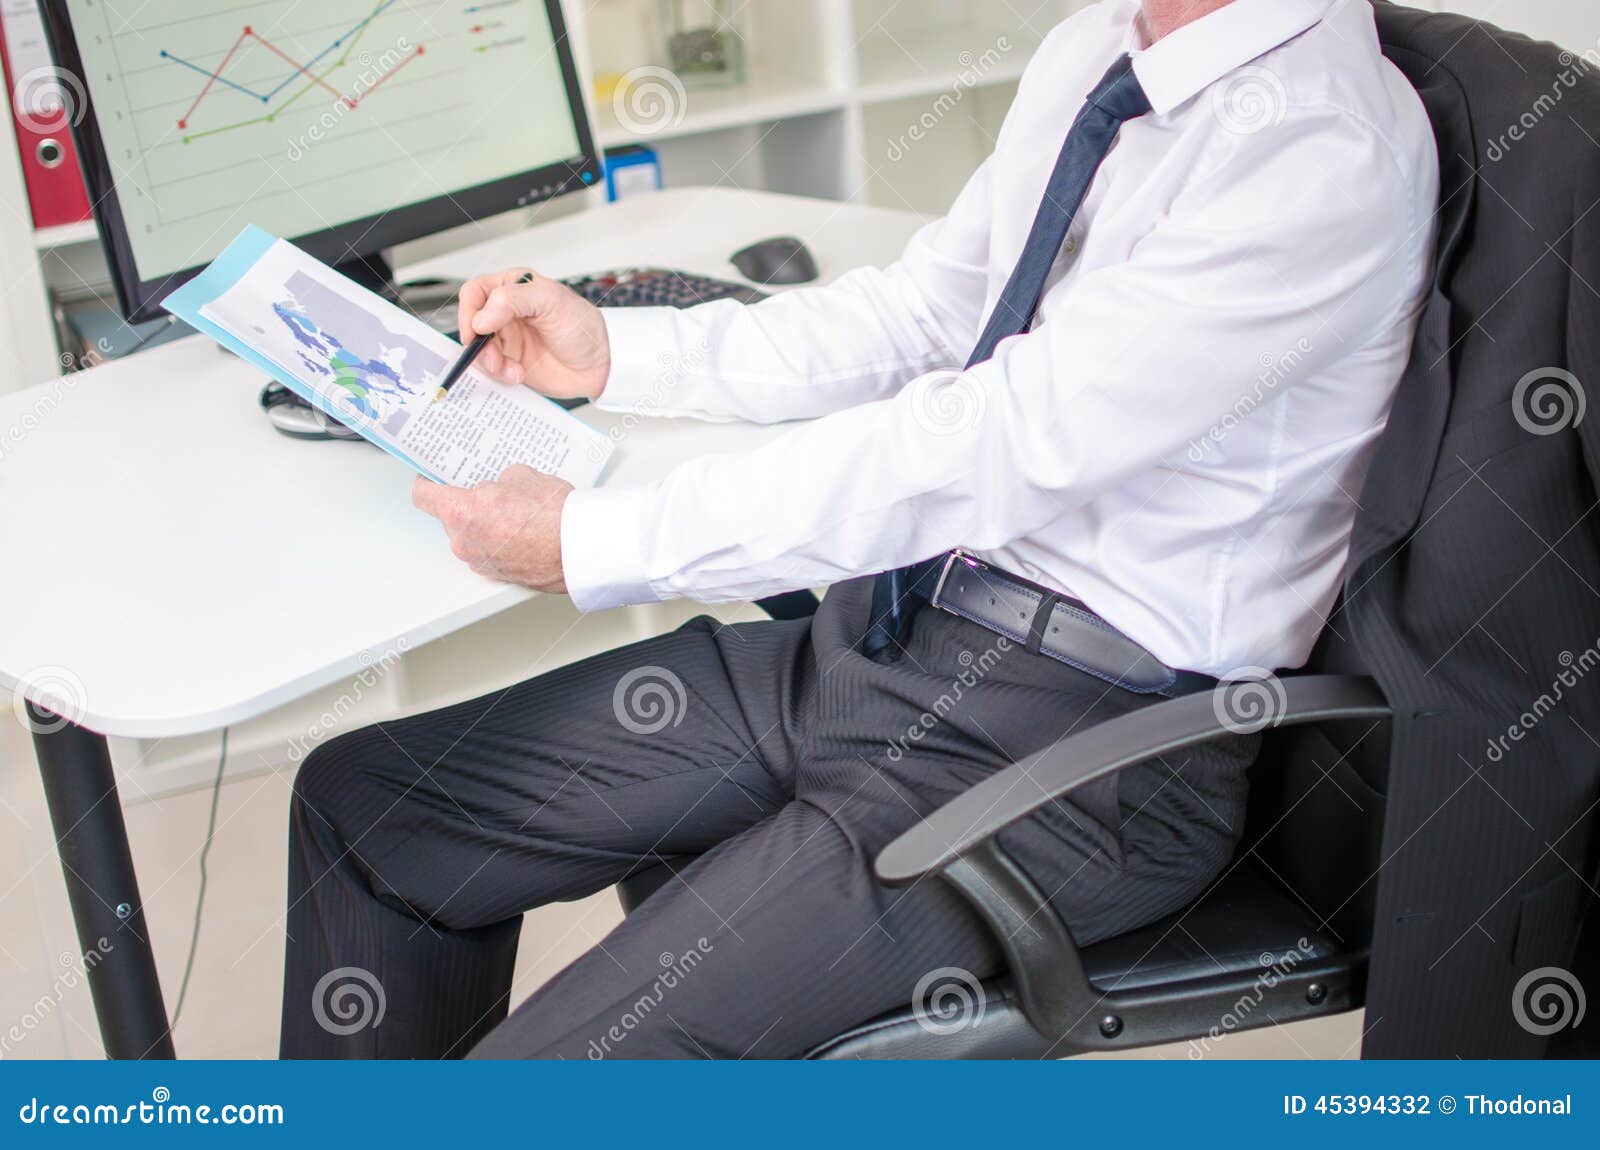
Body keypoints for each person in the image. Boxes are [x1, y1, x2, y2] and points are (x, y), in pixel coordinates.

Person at [280, 0, 1439, 1059]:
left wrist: (599, 541)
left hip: (1077, 750)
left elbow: (991, 442)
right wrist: (623, 351)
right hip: (891, 634)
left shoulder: (1316, 152)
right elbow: (933, 309)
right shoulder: (1103, 51)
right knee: (373, 807)